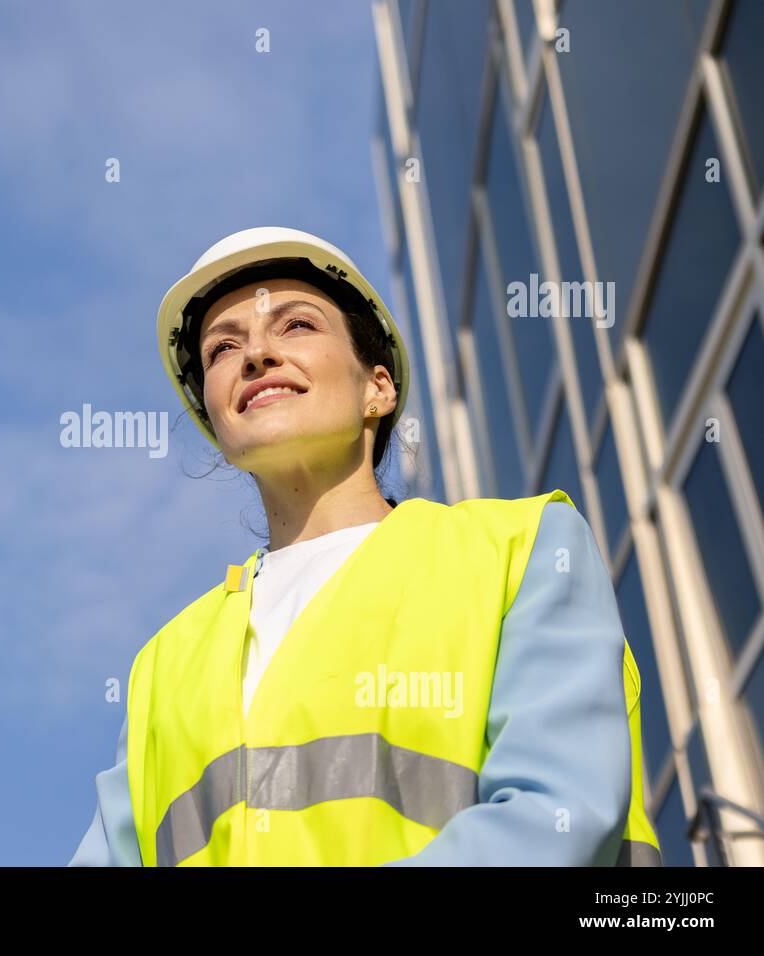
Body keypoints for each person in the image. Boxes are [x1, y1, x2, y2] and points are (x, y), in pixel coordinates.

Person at [68, 226, 661, 866]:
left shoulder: (518, 551)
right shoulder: (161, 668)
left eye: (295, 326)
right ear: (214, 418)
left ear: (377, 388)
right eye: (222, 349)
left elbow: (554, 819)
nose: (255, 356)